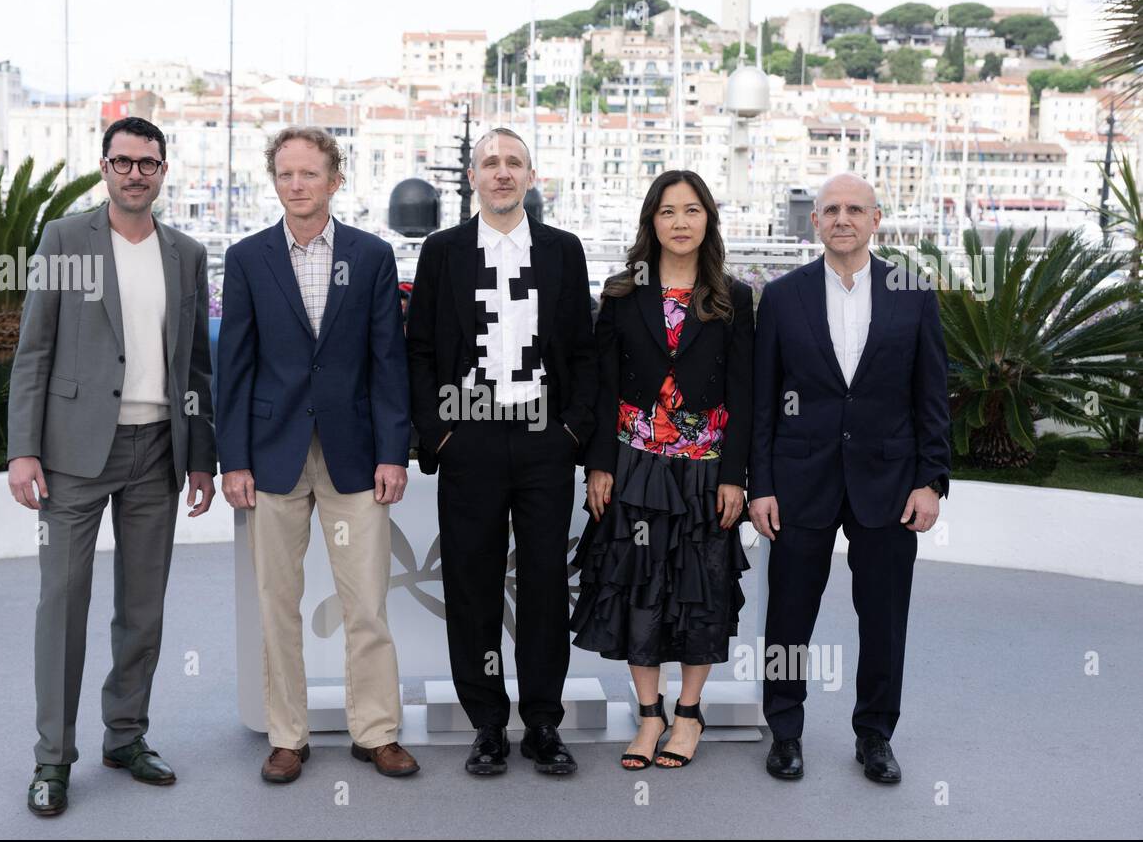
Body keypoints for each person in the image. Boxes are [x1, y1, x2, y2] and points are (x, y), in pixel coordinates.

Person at [7, 116, 217, 817]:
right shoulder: (66, 240)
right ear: (105, 167)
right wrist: (22, 449)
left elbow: (196, 364)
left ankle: (126, 735)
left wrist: (201, 458)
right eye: (123, 161)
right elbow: (34, 349)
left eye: (148, 163)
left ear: (163, 170)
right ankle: (52, 759)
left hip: (158, 448)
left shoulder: (187, 253)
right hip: (72, 454)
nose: (136, 173)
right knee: (62, 605)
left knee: (143, 609)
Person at [215, 126, 418, 784]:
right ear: (274, 180)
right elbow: (234, 366)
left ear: (335, 180)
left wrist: (395, 451)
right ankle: (287, 736)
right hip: (271, 456)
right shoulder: (247, 259)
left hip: (355, 454)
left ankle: (377, 732)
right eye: (285, 174)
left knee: (366, 601)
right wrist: (233, 460)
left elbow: (389, 361)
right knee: (278, 600)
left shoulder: (371, 255)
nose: (296, 185)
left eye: (309, 174)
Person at [406, 127, 598, 776]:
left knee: (546, 583)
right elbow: (421, 350)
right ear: (472, 177)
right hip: (471, 438)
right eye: (491, 162)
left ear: (531, 175)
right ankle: (488, 724)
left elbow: (583, 349)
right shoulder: (443, 252)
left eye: (513, 162)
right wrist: (441, 435)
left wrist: (573, 431)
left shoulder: (564, 253)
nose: (502, 172)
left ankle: (543, 721)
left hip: (546, 437)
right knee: (472, 584)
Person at [748, 172, 950, 784]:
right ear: (815, 222)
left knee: (885, 615)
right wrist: (761, 484)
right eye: (831, 209)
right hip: (798, 481)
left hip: (889, 484)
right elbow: (762, 400)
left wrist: (931, 480)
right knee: (788, 615)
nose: (842, 218)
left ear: (875, 219)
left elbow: (932, 393)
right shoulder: (784, 296)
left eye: (854, 209)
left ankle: (875, 735)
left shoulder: (912, 292)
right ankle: (785, 732)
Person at [571, 170, 754, 770]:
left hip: (705, 472)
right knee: (640, 591)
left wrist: (735, 475)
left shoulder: (733, 296)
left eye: (692, 210)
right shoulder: (623, 293)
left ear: (709, 220)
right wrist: (599, 465)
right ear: (651, 221)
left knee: (699, 591)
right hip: (635, 467)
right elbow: (600, 387)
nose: (680, 222)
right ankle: (649, 715)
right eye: (668, 211)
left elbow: (745, 391)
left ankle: (688, 714)